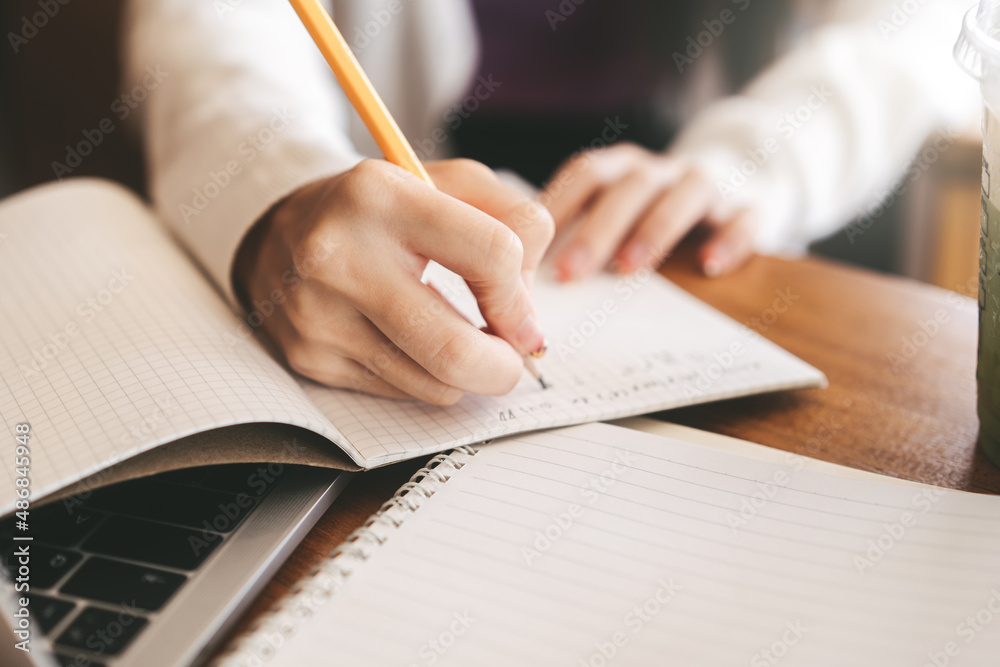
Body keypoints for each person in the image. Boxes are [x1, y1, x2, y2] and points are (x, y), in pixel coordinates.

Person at [124, 0, 978, 403]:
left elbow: (910, 21)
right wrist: (285, 192)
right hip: (379, 167)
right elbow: (207, 22)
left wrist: (752, 157)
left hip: (675, 180)